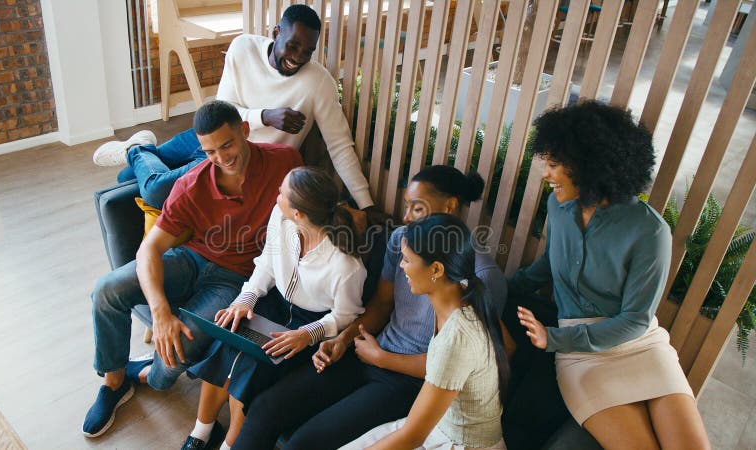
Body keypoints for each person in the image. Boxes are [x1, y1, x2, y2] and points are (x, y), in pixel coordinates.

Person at [231, 165, 508, 450]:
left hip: (408, 381)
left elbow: (460, 359)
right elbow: (382, 304)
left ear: (449, 206)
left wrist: (381, 358)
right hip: (369, 353)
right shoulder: (401, 240)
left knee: (304, 443)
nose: (405, 217)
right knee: (267, 408)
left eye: (416, 208)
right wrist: (343, 339)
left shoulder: (479, 278)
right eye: (406, 207)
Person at [82, 100, 302, 437]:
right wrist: (159, 315)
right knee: (106, 290)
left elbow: (309, 205)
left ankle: (142, 375)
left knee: (171, 361)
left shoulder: (283, 162)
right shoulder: (192, 184)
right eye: (210, 151)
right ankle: (114, 383)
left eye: (227, 144)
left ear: (244, 131)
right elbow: (149, 249)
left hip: (234, 281)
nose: (221, 157)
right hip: (189, 259)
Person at [512, 100, 711, 449]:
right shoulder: (558, 206)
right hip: (581, 355)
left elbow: (635, 320)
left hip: (638, 345)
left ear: (590, 166)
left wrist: (553, 338)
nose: (546, 174)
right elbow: (547, 265)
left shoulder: (650, 232)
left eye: (555, 164)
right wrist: (496, 286)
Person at [92, 4, 373, 213]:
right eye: (292, 45)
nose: (297, 58)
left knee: (151, 188)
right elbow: (222, 109)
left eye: (307, 51)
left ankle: (137, 147)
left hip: (232, 157)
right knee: (125, 177)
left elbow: (340, 146)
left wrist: (366, 204)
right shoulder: (243, 48)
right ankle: (139, 149)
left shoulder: (318, 82)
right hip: (206, 137)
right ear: (277, 33)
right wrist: (265, 116)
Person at [180, 167, 366, 450]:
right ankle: (202, 431)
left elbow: (347, 316)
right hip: (274, 302)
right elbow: (267, 262)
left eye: (281, 193)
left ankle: (230, 445)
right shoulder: (280, 218)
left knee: (251, 369)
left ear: (299, 214)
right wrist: (246, 298)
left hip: (309, 324)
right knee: (228, 343)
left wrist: (309, 334)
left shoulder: (346, 266)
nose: (276, 195)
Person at [341, 214, 509, 450]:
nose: (401, 266)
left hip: (463, 443)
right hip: (442, 427)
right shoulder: (462, 294)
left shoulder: (457, 336)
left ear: (437, 269)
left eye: (407, 260)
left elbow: (411, 437)